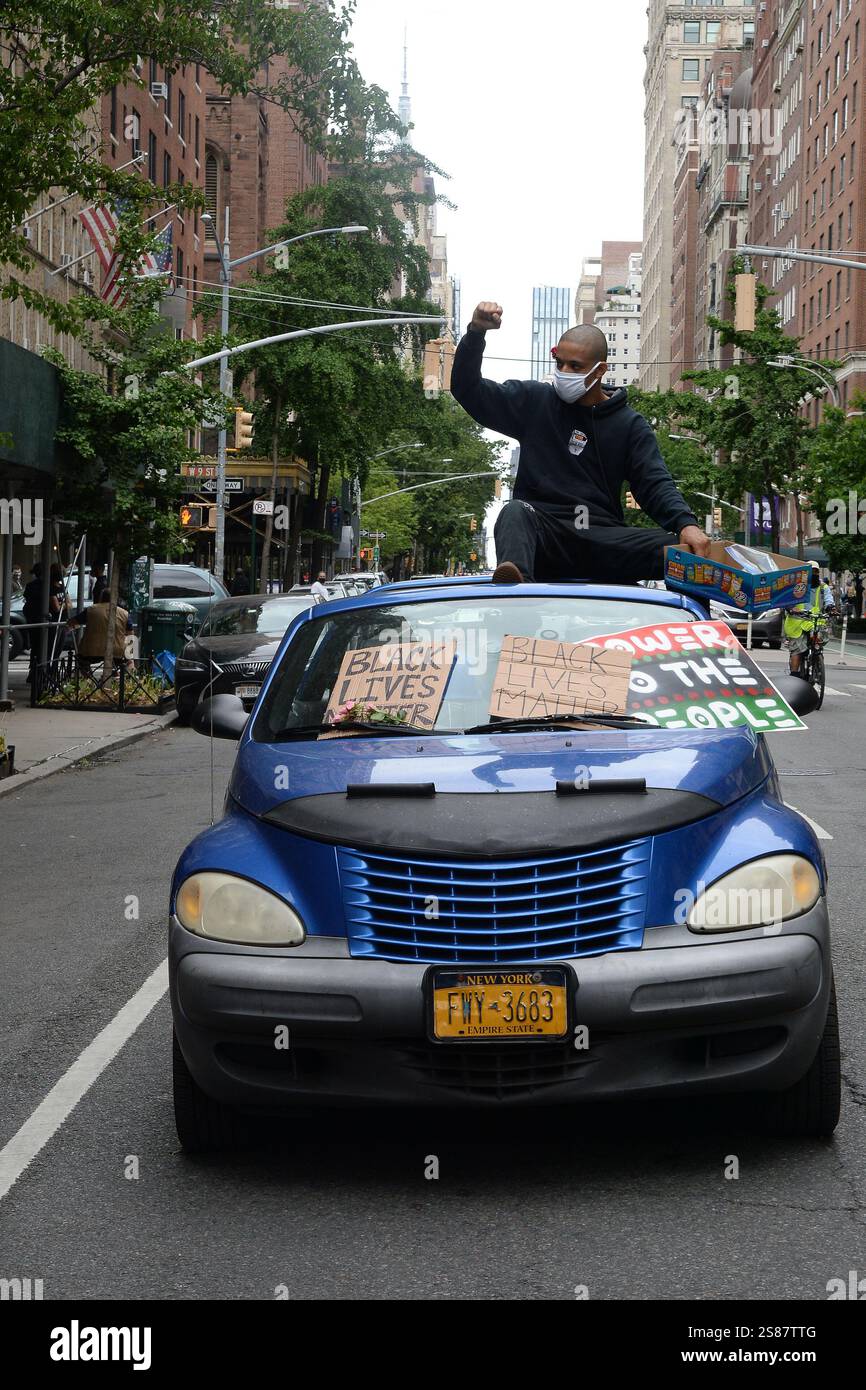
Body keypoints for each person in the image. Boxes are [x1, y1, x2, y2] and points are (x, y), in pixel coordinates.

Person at [450, 301, 711, 583]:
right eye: (559, 363)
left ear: (599, 371)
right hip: (544, 537)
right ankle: (516, 590)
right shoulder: (533, 401)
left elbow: (654, 483)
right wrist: (476, 333)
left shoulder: (629, 425)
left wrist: (686, 524)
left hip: (603, 541)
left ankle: (700, 622)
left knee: (687, 553)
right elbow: (468, 389)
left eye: (575, 366)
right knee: (514, 511)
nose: (564, 372)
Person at [784, 563, 830, 676]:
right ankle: (794, 675)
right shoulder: (795, 585)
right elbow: (786, 600)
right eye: (810, 571)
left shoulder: (823, 587)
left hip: (816, 622)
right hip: (797, 623)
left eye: (815, 571)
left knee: (818, 644)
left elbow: (829, 600)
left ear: (818, 573)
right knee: (797, 651)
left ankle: (817, 665)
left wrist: (831, 608)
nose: (813, 574)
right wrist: (791, 608)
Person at [70, 592, 130, 676]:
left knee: (82, 661)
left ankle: (88, 679)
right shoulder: (124, 613)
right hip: (116, 652)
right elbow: (130, 634)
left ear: (101, 598)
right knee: (120, 663)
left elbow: (73, 622)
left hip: (91, 651)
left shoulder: (91, 610)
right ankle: (113, 678)